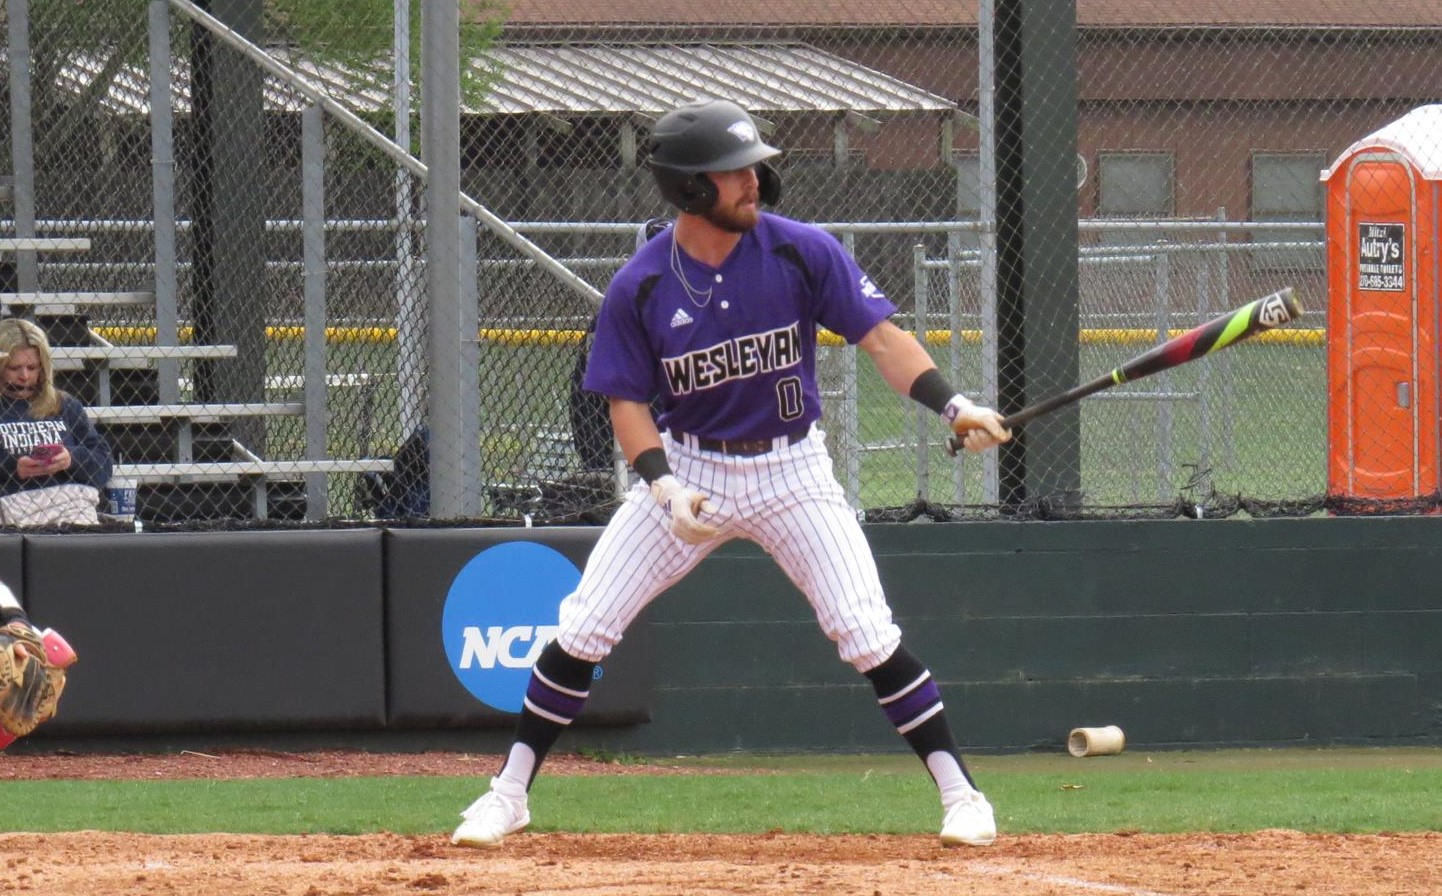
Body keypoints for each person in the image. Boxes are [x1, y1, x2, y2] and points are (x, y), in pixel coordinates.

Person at [451, 98, 1011, 849]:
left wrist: (955, 406)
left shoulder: (801, 250)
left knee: (864, 630)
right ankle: (508, 794)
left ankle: (962, 796)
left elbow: (882, 340)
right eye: (734, 171)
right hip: (689, 470)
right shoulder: (641, 284)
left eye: (754, 167)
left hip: (792, 471)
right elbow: (626, 406)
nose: (753, 180)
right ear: (689, 187)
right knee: (584, 626)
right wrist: (663, 485)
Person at [0, 318, 114, 526]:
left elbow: (103, 462)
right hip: (11, 504)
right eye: (14, 368)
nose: (24, 376)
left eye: (32, 368)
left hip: (68, 503)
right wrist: (13, 467)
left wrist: (70, 459)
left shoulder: (63, 404)